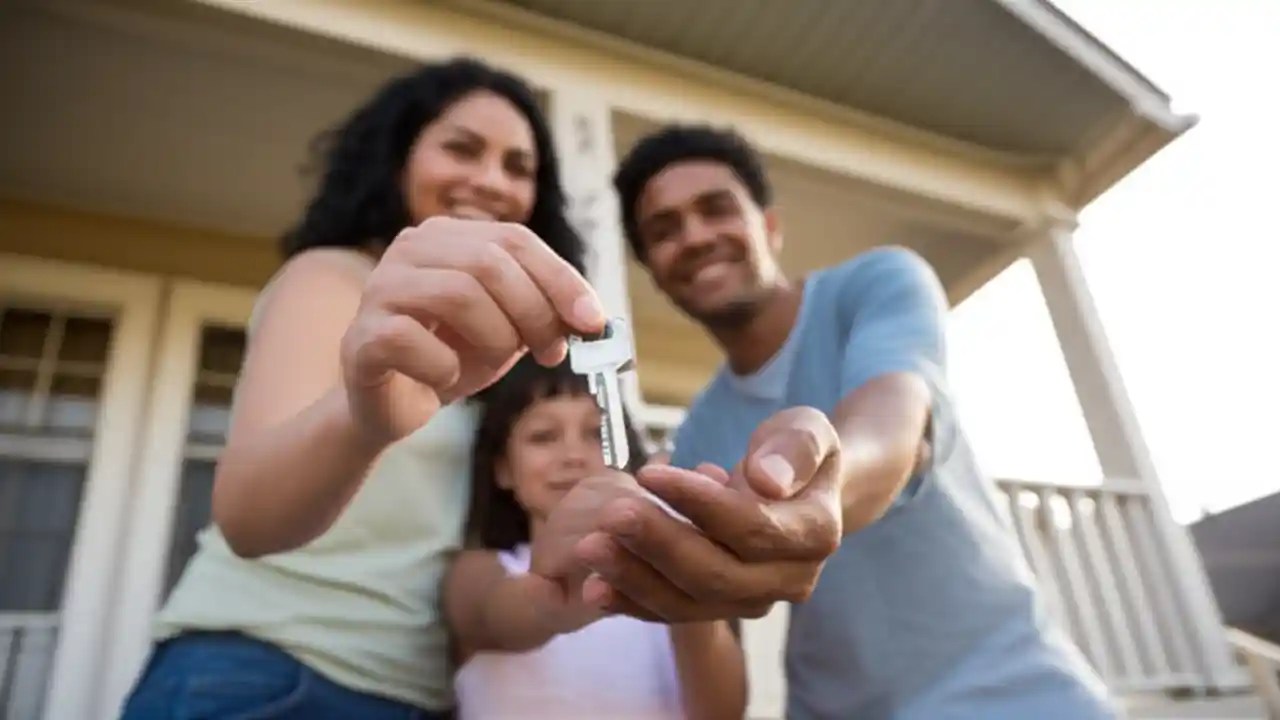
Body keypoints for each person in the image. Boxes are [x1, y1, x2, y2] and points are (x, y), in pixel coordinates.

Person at [566, 124, 1120, 719]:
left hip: (1014, 695)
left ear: (770, 226)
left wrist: (827, 475)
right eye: (664, 230)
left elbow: (894, 423)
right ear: (653, 269)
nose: (696, 237)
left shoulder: (876, 285)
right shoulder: (699, 432)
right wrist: (679, 592)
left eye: (715, 210)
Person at [119, 57, 610, 719]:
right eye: (461, 149)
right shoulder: (334, 279)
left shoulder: (506, 358)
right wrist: (366, 420)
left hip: (415, 694)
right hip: (269, 673)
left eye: (519, 167)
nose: (491, 180)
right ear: (397, 161)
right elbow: (247, 518)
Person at [445, 356, 746, 719]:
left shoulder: (666, 582)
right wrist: (558, 596)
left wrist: (687, 577)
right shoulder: (479, 571)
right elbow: (503, 615)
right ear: (503, 469)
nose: (573, 456)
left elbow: (721, 712)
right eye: (544, 437)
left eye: (596, 434)